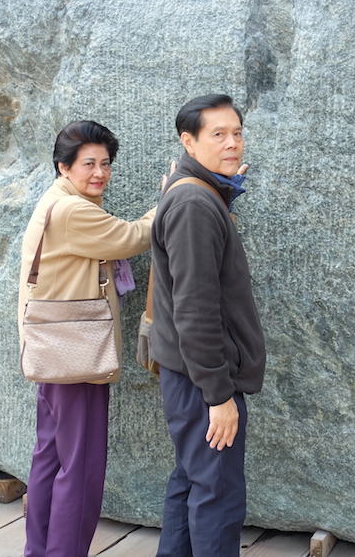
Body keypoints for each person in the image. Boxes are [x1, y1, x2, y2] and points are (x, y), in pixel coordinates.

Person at [18, 120, 156, 557]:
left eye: (106, 163)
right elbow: (132, 237)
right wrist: (168, 200)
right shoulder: (76, 211)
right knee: (81, 466)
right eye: (88, 164)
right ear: (63, 166)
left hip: (54, 350)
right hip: (76, 352)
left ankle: (39, 551)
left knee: (50, 458)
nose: (99, 172)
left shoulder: (56, 201)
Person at [150, 93, 266, 557]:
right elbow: (194, 308)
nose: (232, 143)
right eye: (218, 134)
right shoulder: (195, 205)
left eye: (237, 133)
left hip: (190, 372)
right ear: (189, 142)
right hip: (204, 378)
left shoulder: (193, 190)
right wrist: (218, 395)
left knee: (192, 480)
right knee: (216, 496)